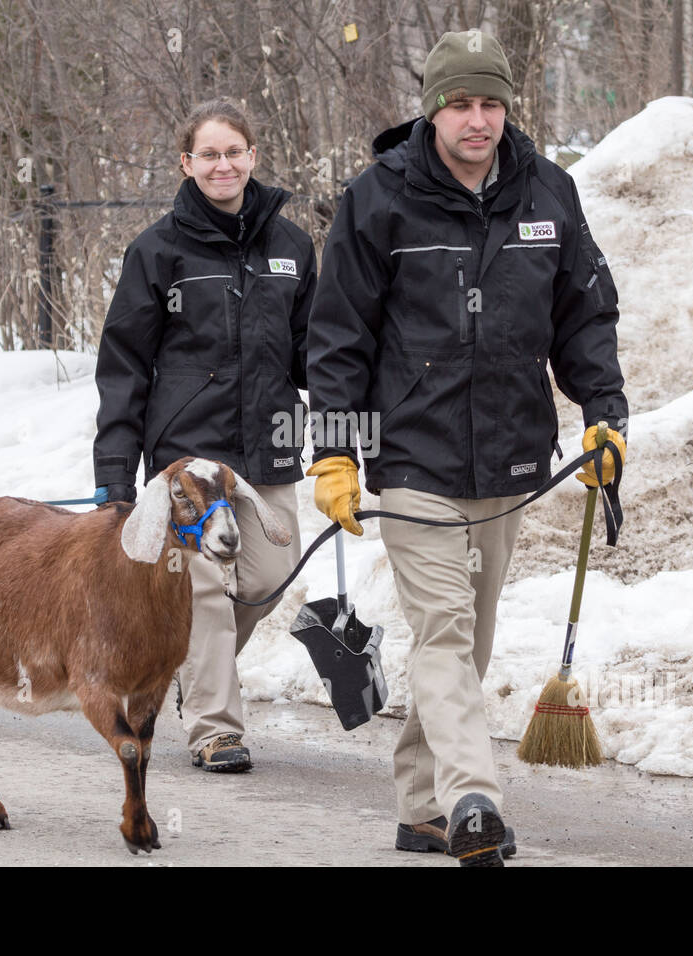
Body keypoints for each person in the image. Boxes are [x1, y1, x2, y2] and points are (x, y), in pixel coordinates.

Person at [305, 31, 628, 865]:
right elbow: (337, 336)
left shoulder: (548, 194)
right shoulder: (379, 199)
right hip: (413, 460)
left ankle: (420, 809)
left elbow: (584, 316)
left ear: (507, 107)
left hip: (512, 460)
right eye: (460, 104)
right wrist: (336, 453)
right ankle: (474, 800)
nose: (476, 120)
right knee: (444, 630)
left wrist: (604, 414)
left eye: (490, 103)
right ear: (433, 109)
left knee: (467, 646)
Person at [93, 99, 313, 772]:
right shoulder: (157, 250)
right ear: (187, 164)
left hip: (268, 448)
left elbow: (319, 355)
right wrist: (113, 470)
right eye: (209, 154)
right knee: (206, 589)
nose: (224, 165)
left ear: (253, 157)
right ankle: (216, 728)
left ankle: (186, 668)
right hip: (189, 457)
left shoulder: (293, 246)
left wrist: (349, 429)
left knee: (268, 576)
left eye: (234, 151)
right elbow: (124, 365)